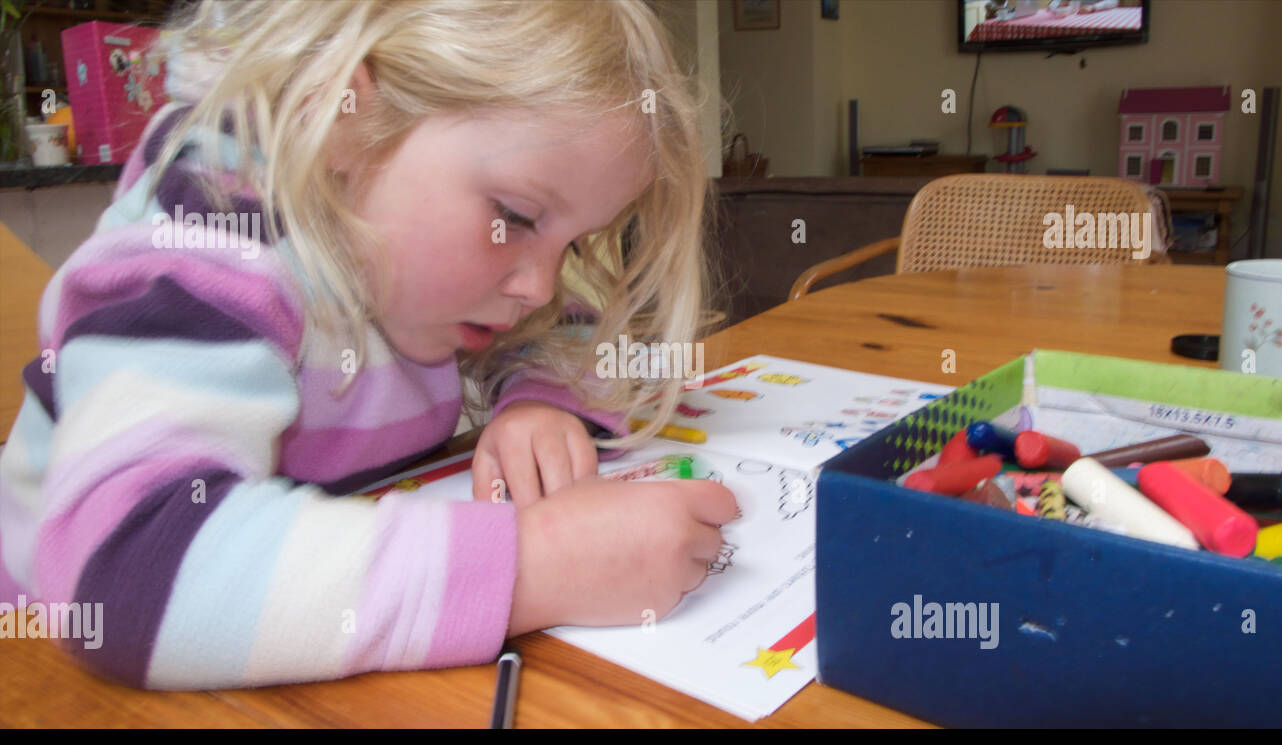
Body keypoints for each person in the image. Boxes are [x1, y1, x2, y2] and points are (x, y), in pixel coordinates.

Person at [0, 0, 736, 690]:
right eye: (514, 216)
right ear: (345, 114)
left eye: (574, 241)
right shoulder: (214, 220)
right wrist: (533, 568)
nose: (540, 286)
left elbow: (566, 323)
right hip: (49, 672)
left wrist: (538, 407)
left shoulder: (452, 266)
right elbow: (132, 566)